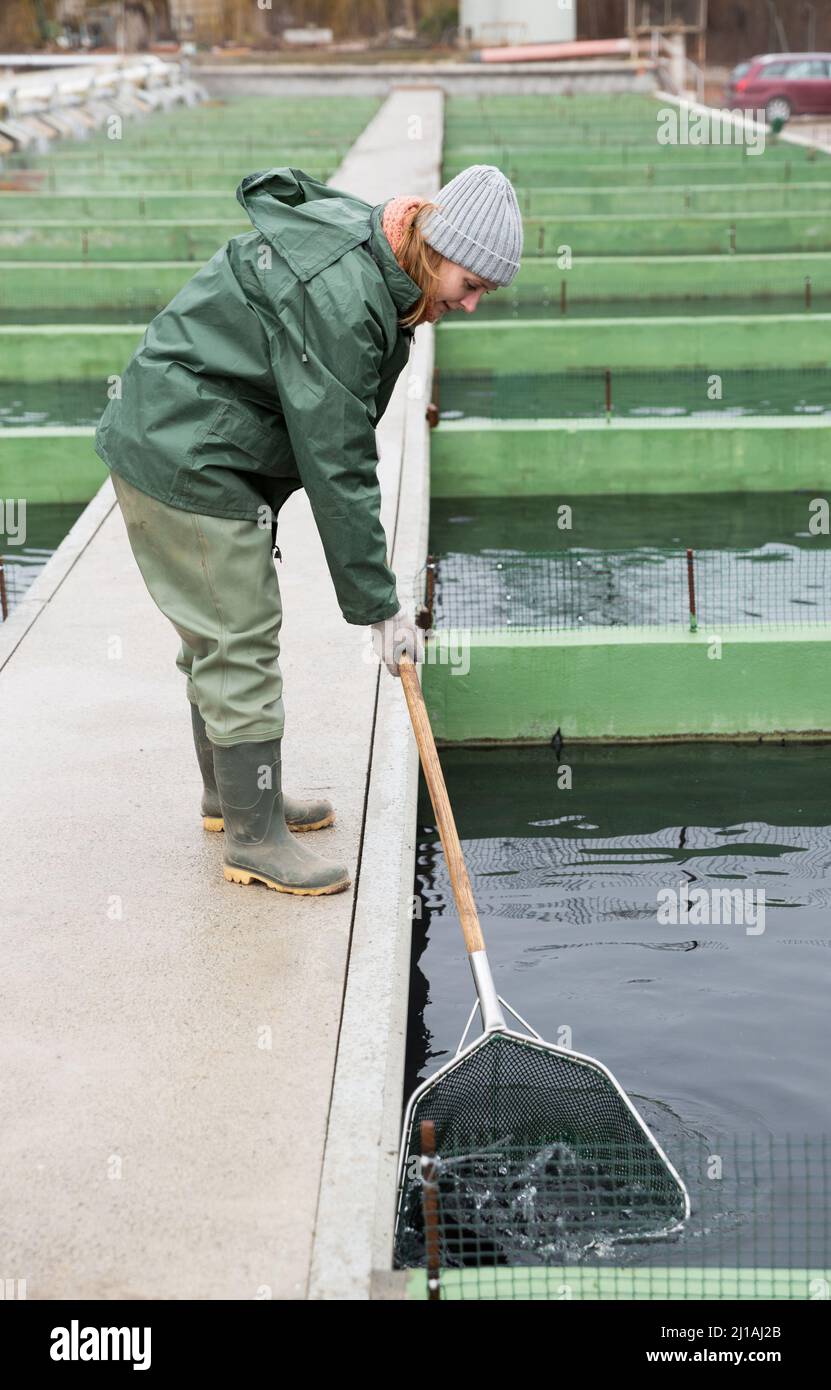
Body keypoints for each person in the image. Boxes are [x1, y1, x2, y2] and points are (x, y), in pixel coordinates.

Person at [95, 163, 523, 898]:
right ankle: (254, 839)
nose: (474, 304)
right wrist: (380, 608)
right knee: (238, 639)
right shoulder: (344, 296)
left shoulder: (379, 259)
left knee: (222, 634)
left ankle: (233, 799)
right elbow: (338, 460)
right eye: (472, 284)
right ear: (434, 245)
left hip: (196, 438)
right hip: (186, 453)